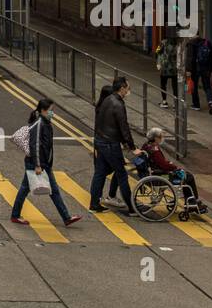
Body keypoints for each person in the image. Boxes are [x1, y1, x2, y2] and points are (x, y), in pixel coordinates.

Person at [10, 98, 82, 228]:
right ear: (43, 110)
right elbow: (35, 145)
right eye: (51, 110)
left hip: (44, 163)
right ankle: (15, 215)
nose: (52, 113)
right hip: (36, 163)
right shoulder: (39, 124)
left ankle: (66, 217)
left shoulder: (46, 122)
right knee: (26, 189)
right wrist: (38, 165)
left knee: (52, 190)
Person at [89, 76, 137, 215]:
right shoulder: (118, 104)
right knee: (122, 174)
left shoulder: (107, 100)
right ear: (122, 88)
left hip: (100, 141)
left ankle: (94, 204)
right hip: (110, 144)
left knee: (100, 173)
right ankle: (131, 207)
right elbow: (124, 127)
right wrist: (132, 146)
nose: (129, 91)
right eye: (128, 88)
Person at [138, 126, 207, 214]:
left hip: (154, 173)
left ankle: (191, 201)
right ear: (155, 138)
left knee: (186, 176)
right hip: (161, 176)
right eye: (160, 137)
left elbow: (161, 162)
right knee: (188, 177)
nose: (161, 139)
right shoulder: (154, 149)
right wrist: (175, 167)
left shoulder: (146, 145)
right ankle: (192, 202)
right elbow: (163, 165)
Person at [187, 35, 212, 114]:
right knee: (207, 87)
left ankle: (196, 105)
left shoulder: (191, 43)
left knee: (194, 86)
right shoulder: (207, 42)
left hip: (195, 69)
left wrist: (188, 70)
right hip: (206, 68)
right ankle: (211, 103)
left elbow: (190, 58)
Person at [155, 35, 179, 108]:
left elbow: (157, 52)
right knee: (175, 86)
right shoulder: (178, 44)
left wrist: (158, 62)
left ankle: (164, 101)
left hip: (164, 68)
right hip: (174, 69)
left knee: (163, 84)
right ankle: (175, 103)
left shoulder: (163, 42)